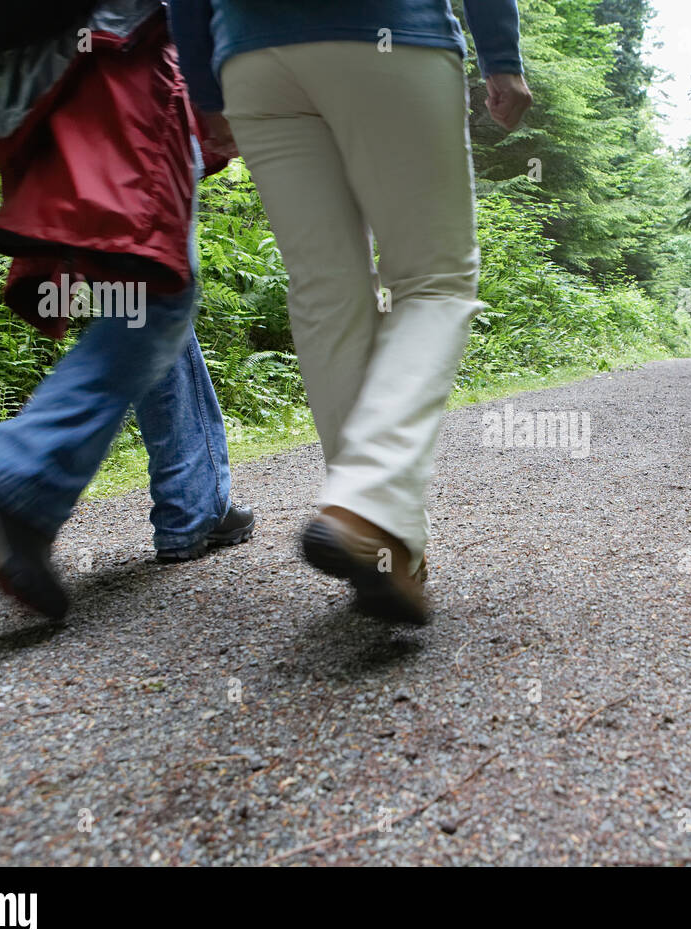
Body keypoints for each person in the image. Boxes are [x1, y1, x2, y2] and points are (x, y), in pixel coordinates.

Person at [168, 0, 532, 624]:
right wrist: (501, 56)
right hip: (390, 35)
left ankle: (385, 545)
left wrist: (204, 87)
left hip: (253, 57)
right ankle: (367, 503)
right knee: (434, 281)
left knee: (325, 291)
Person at [0, 0, 254, 620]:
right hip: (121, 58)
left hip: (33, 77)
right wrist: (216, 84)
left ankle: (195, 505)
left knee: (132, 285)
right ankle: (13, 473)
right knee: (155, 290)